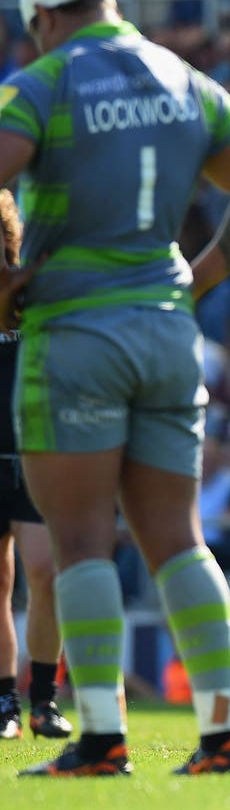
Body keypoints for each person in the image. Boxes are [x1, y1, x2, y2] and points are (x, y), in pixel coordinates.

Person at [0, 0, 230, 776]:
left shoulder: (41, 84)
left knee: (84, 544)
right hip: (169, 330)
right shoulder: (184, 79)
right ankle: (222, 735)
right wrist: (193, 282)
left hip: (73, 335)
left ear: (43, 18)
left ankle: (99, 739)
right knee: (179, 541)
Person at [0, 189, 70, 742]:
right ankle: (5, 703)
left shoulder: (33, 294)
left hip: (36, 454)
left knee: (45, 573)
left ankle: (43, 697)